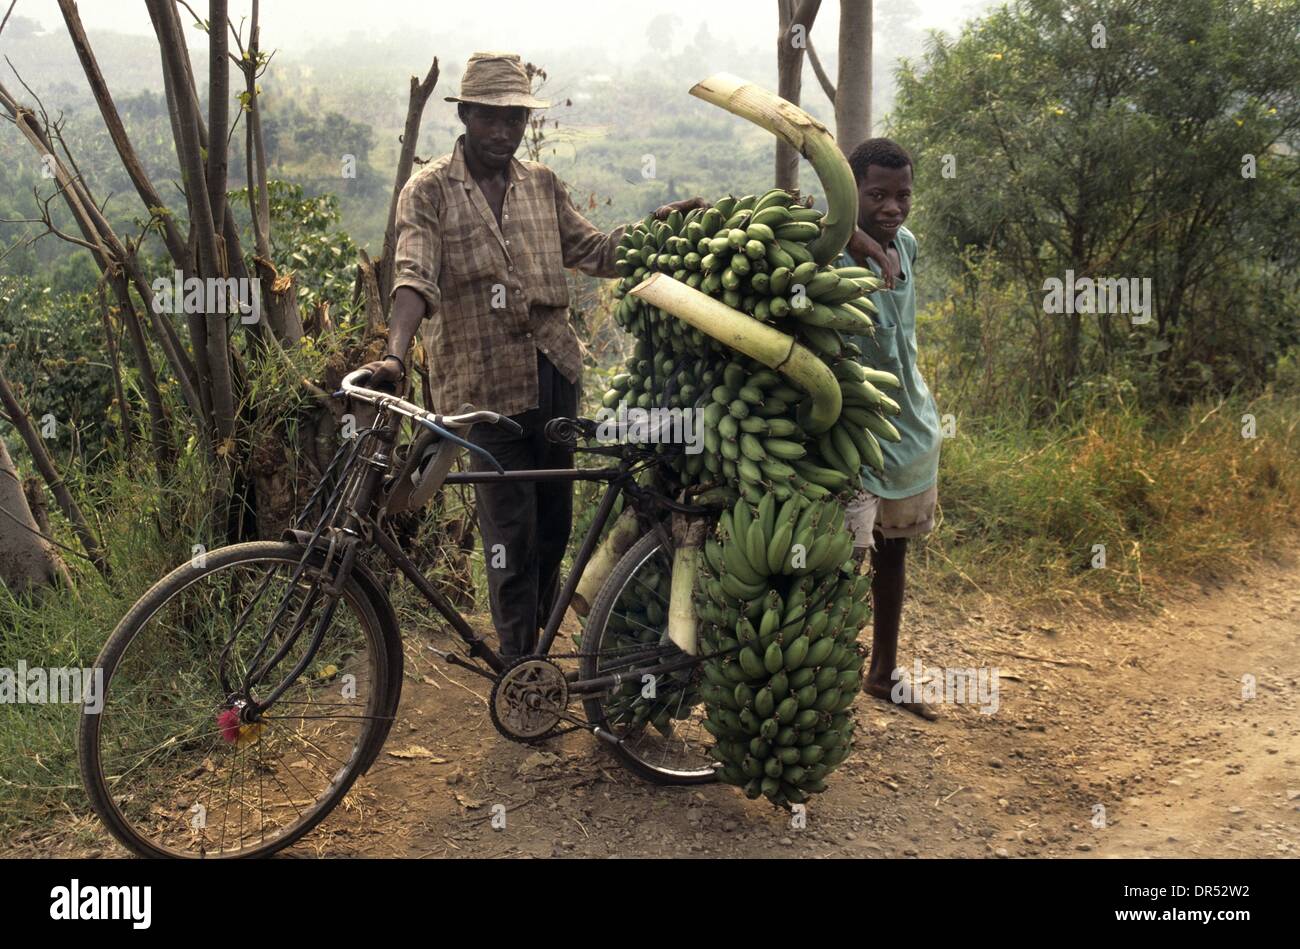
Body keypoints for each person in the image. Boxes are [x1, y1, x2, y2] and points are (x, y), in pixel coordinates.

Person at [356, 51, 702, 659]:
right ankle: (519, 664)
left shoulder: (541, 185)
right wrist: (396, 354)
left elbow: (595, 252)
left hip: (553, 375)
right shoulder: (430, 190)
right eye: (491, 117)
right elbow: (413, 275)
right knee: (510, 534)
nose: (503, 131)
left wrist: (658, 229)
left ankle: (537, 651)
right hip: (481, 392)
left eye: (514, 118)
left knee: (554, 525)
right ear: (464, 114)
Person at [840, 138, 943, 720]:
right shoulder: (829, 246)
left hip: (905, 419)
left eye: (902, 194)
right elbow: (795, 214)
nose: (891, 207)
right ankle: (823, 671)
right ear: (851, 191)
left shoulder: (907, 245)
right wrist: (851, 237)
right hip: (850, 421)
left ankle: (883, 671)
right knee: (840, 555)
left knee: (893, 548)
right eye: (876, 195)